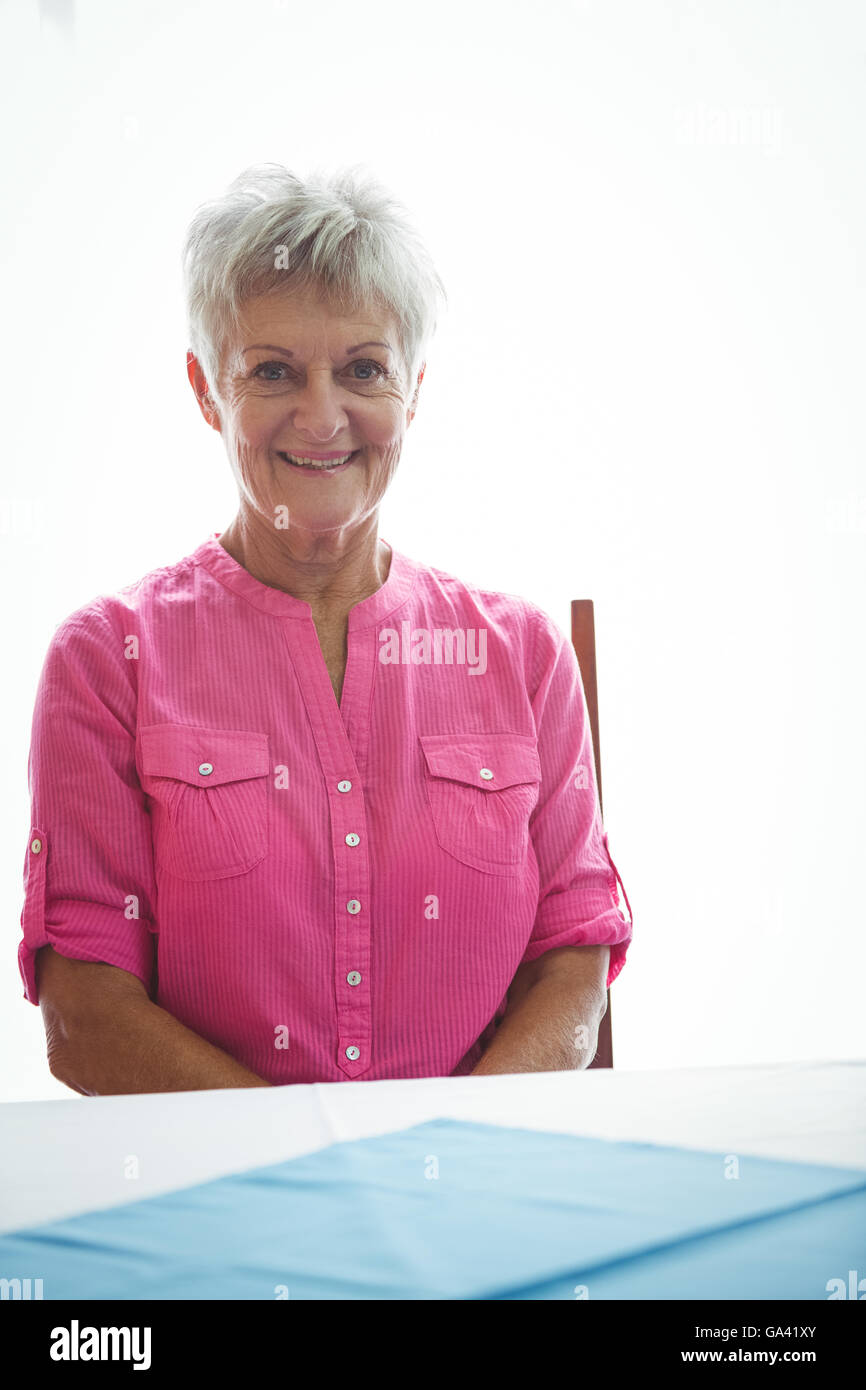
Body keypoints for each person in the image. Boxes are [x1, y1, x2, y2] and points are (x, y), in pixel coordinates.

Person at [19, 163, 633, 1094]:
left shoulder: (526, 656)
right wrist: (313, 1174)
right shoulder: (109, 661)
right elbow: (86, 1012)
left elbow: (574, 954)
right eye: (272, 371)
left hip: (470, 1195)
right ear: (204, 389)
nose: (322, 416)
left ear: (412, 390)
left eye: (362, 369)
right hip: (227, 1206)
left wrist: (449, 1159)